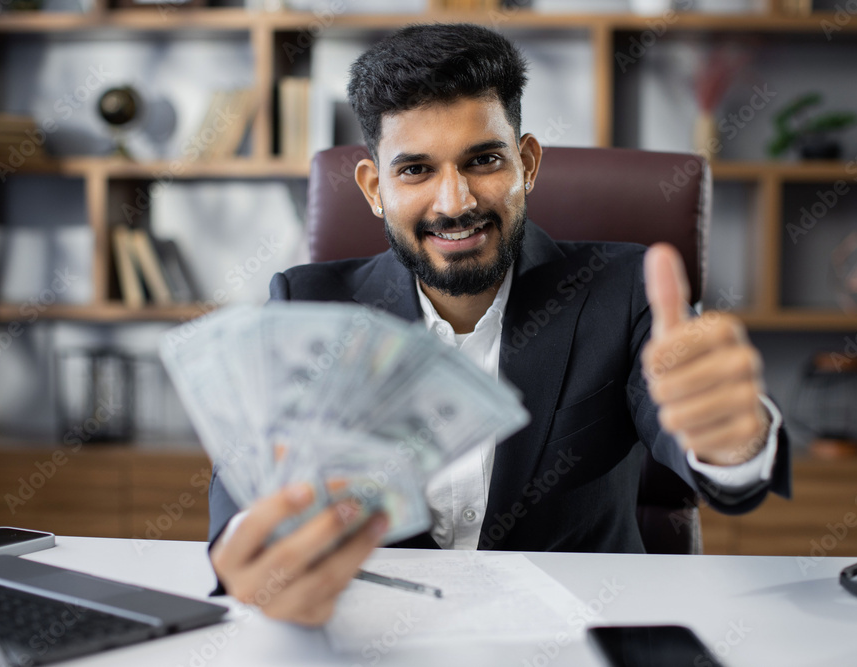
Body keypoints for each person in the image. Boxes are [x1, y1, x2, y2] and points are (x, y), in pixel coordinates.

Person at [207, 22, 790, 625]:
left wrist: (730, 440)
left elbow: (712, 451)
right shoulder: (309, 304)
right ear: (374, 187)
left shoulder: (628, 292)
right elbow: (249, 471)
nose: (455, 202)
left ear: (527, 163)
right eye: (415, 171)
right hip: (379, 638)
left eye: (483, 160)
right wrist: (246, 548)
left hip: (574, 639)